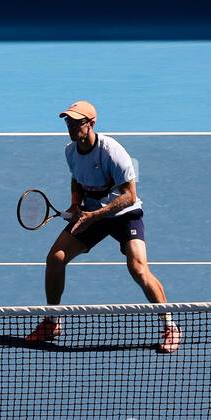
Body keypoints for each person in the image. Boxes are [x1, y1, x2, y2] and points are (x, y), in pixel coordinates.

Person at [27, 100, 180, 353]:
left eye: (76, 122)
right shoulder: (70, 151)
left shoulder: (112, 151)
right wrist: (76, 205)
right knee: (55, 258)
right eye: (68, 121)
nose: (71, 126)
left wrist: (96, 215)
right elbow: (77, 179)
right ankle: (52, 321)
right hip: (91, 213)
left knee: (138, 268)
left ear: (91, 123)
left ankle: (170, 326)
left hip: (124, 214)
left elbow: (130, 195)